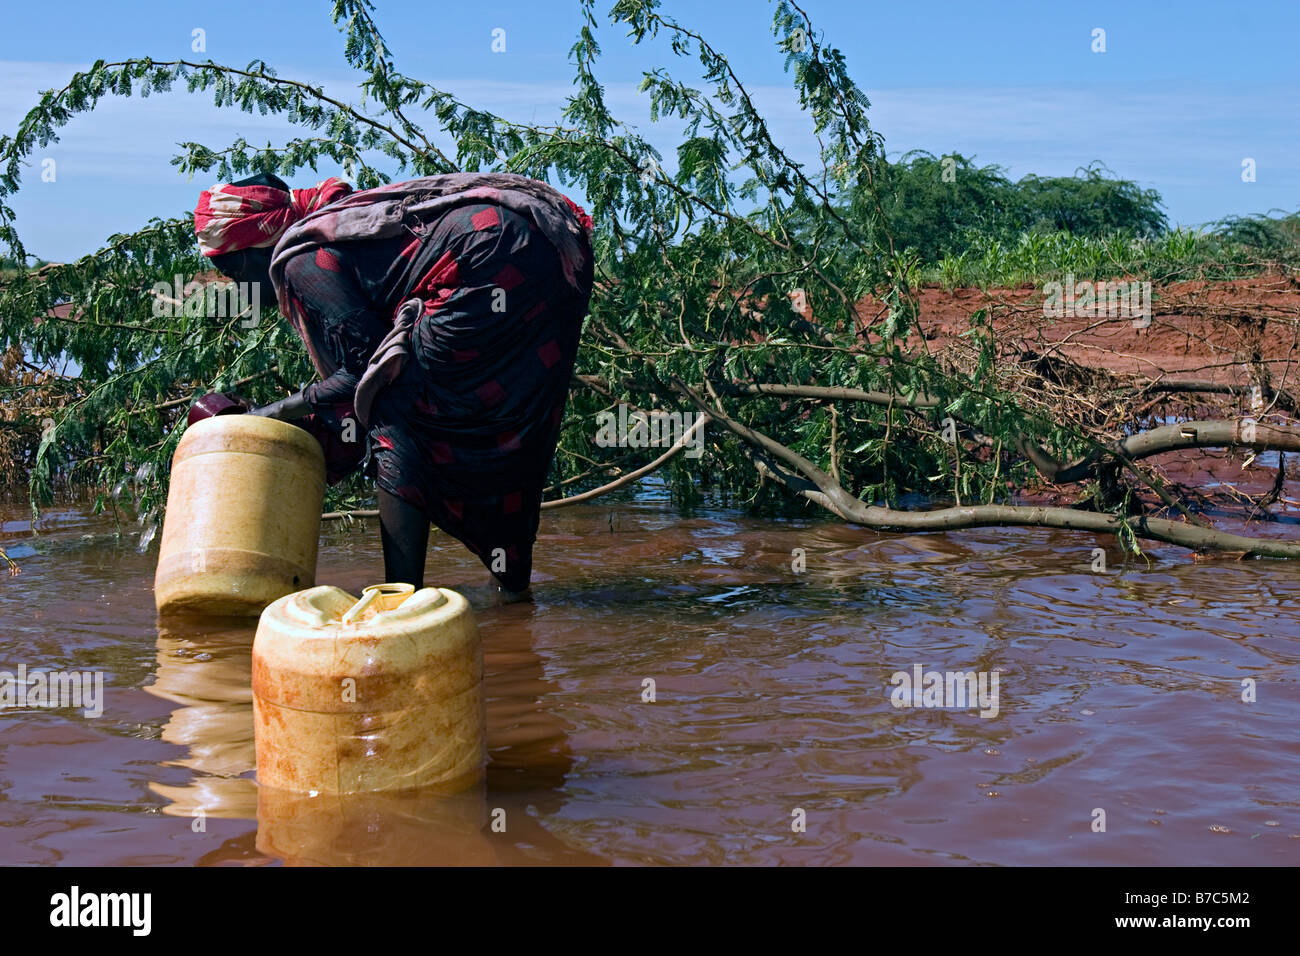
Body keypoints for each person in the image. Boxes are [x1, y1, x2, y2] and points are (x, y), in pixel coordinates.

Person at [194, 171, 595, 597]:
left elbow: (363, 371)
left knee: (392, 403)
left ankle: (398, 597)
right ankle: (512, 590)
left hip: (486, 258)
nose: (239, 289)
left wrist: (269, 414)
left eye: (231, 273)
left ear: (247, 252)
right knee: (509, 412)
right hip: (537, 250)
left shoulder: (300, 260)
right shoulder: (333, 227)